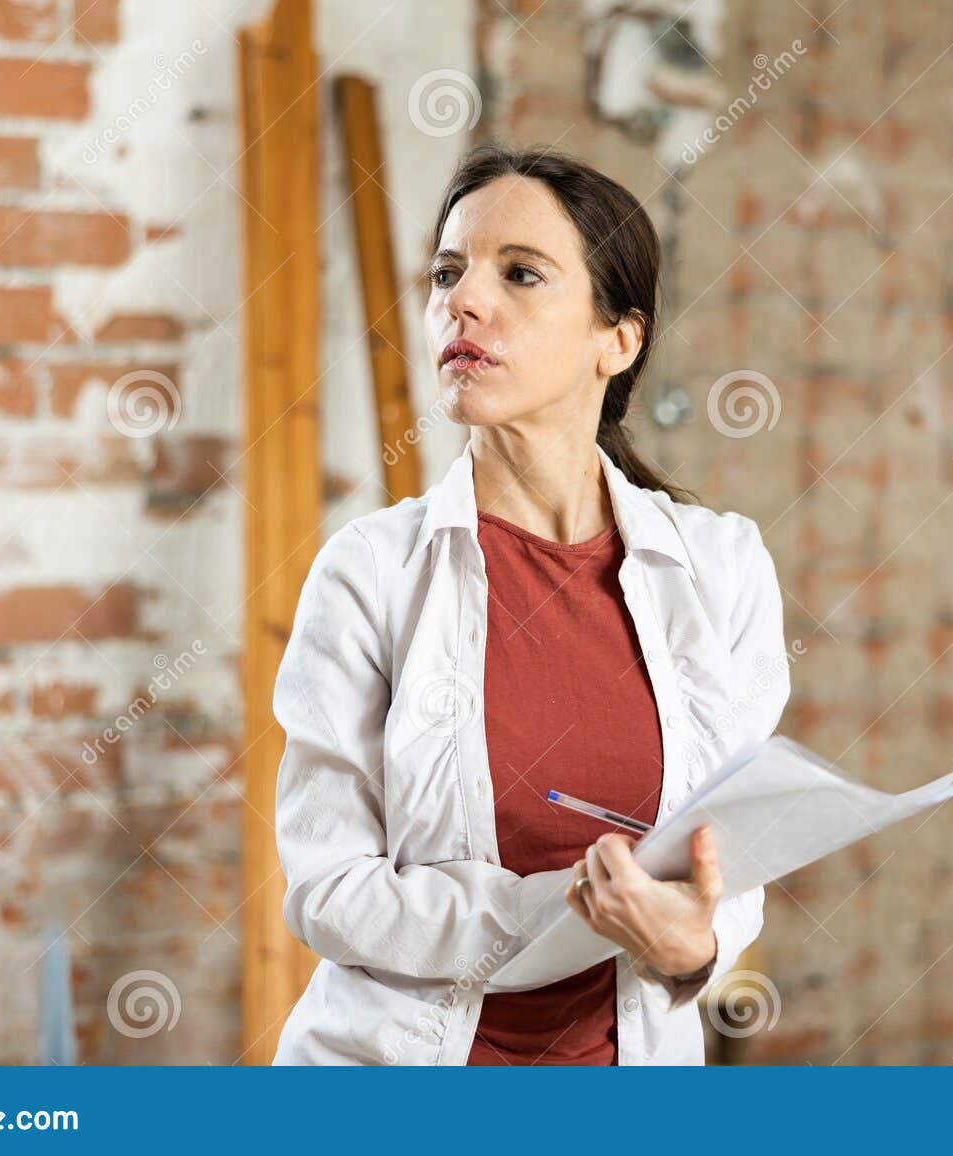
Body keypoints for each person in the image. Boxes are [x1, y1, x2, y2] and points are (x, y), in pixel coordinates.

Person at [271, 144, 791, 1065]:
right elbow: (329, 890)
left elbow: (728, 869)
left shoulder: (722, 569)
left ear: (617, 340)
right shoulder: (369, 574)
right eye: (446, 272)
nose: (463, 301)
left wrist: (694, 946)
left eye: (520, 274)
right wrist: (576, 908)